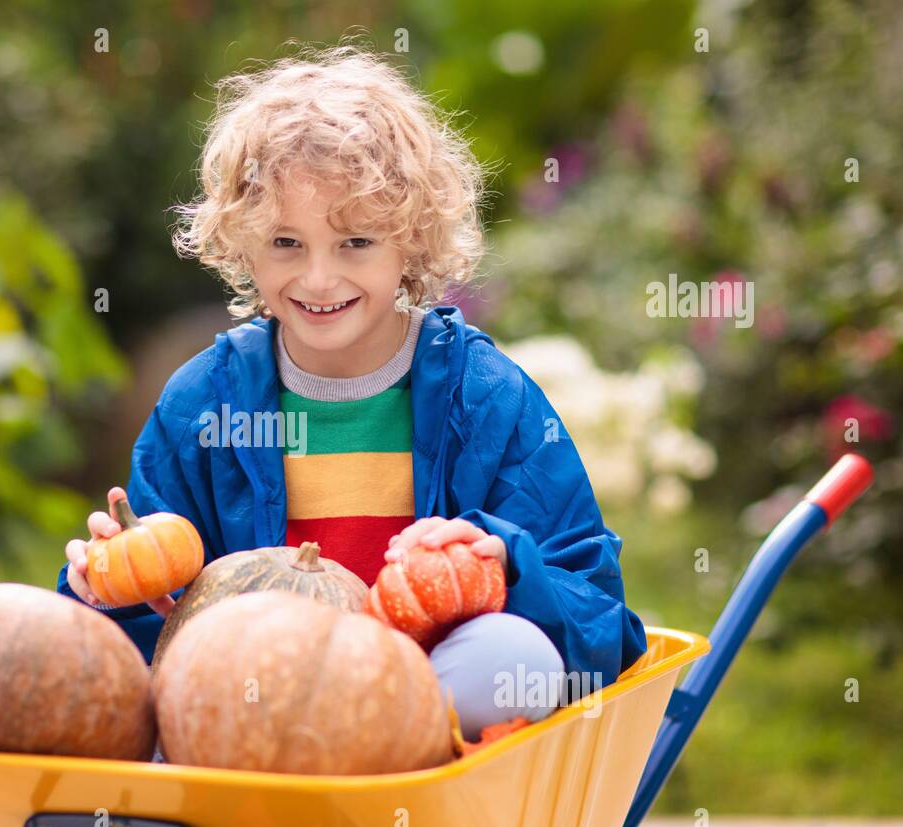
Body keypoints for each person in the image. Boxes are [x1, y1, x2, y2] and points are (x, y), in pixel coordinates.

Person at [57, 45, 647, 740]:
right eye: (285, 242)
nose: (318, 278)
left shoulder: (485, 397)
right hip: (251, 708)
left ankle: (383, 777)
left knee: (511, 659)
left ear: (412, 241)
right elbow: (139, 626)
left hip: (411, 706)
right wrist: (101, 588)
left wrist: (507, 560)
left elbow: (601, 623)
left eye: (356, 242)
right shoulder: (204, 404)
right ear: (243, 243)